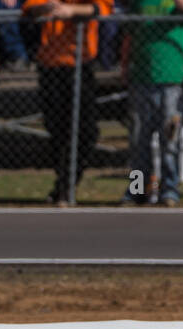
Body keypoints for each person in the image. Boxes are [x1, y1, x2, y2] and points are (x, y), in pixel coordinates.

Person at [21, 0, 112, 206]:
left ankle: (66, 185)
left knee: (86, 131)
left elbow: (101, 9)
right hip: (50, 64)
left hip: (80, 64)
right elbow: (29, 8)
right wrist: (47, 8)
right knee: (57, 128)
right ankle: (62, 184)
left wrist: (72, 11)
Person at [121, 0, 183, 206]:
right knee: (139, 141)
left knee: (170, 139)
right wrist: (124, 64)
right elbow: (130, 33)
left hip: (172, 80)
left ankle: (169, 190)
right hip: (142, 78)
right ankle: (137, 190)